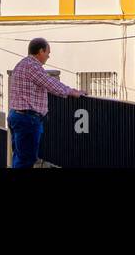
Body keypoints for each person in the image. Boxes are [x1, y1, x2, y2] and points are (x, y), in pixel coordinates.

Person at [8, 37, 82, 168]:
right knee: (26, 159)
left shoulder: (22, 64)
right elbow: (50, 83)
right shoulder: (32, 66)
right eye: (48, 52)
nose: (48, 56)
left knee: (19, 157)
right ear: (40, 51)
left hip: (17, 116)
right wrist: (71, 91)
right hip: (27, 119)